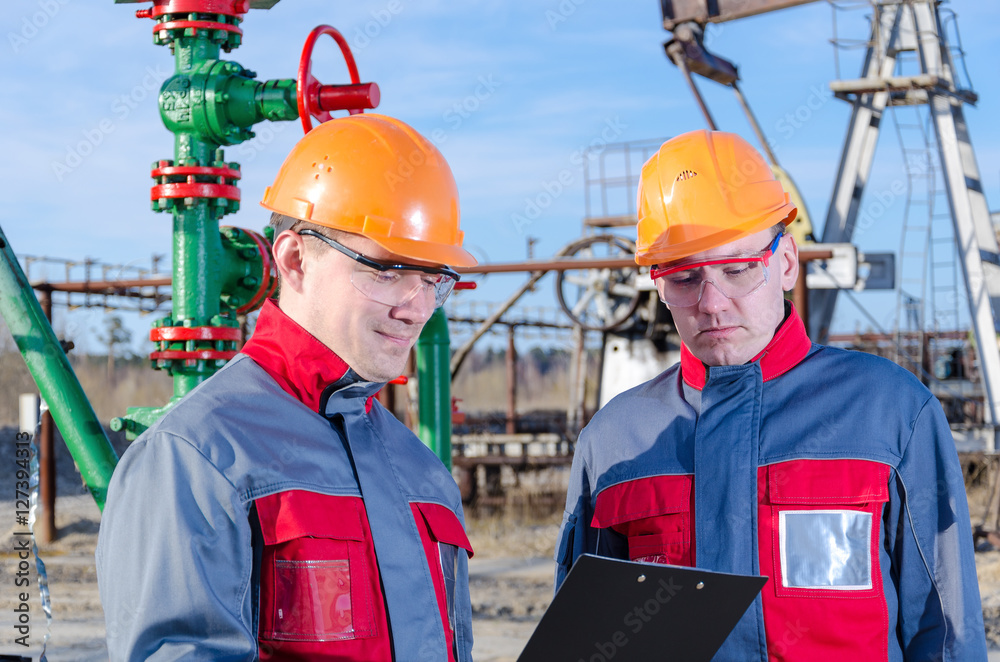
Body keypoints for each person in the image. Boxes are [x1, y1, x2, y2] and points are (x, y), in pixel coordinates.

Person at [554, 129, 987, 660]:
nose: (711, 303)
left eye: (737, 270)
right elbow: (590, 644)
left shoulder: (890, 413)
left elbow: (944, 634)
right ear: (657, 285)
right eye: (684, 278)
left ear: (785, 262)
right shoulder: (616, 441)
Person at [97, 114, 478, 661]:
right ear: (294, 259)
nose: (414, 309)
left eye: (431, 280)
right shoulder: (197, 458)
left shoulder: (421, 470)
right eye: (388, 272)